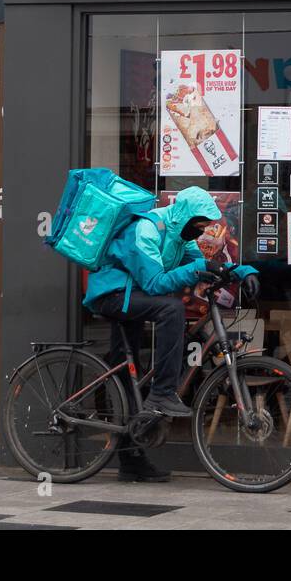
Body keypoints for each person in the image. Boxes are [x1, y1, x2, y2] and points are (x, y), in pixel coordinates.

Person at [81, 186, 235, 482]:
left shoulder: (180, 233)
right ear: (187, 215)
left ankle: (131, 461)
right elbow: (154, 283)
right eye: (200, 224)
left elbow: (197, 262)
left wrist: (239, 272)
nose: (201, 230)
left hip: (132, 295)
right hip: (114, 294)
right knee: (171, 310)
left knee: (126, 376)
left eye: (205, 226)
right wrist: (198, 269)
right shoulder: (147, 228)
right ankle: (162, 394)